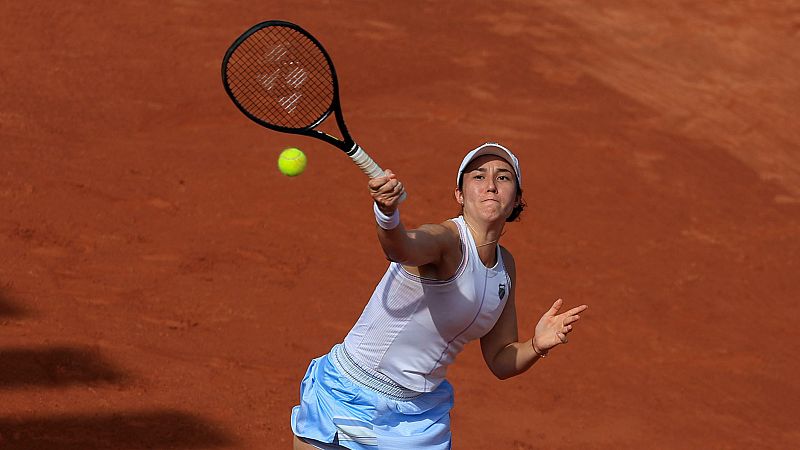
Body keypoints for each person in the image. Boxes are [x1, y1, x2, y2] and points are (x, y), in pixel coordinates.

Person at [291, 143, 588, 449]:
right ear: (459, 196)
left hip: (416, 419)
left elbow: (501, 359)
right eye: (478, 177)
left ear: (516, 201)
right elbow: (400, 247)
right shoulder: (447, 240)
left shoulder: (505, 267)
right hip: (349, 396)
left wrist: (537, 345)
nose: (490, 185)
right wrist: (387, 214)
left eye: (503, 178)